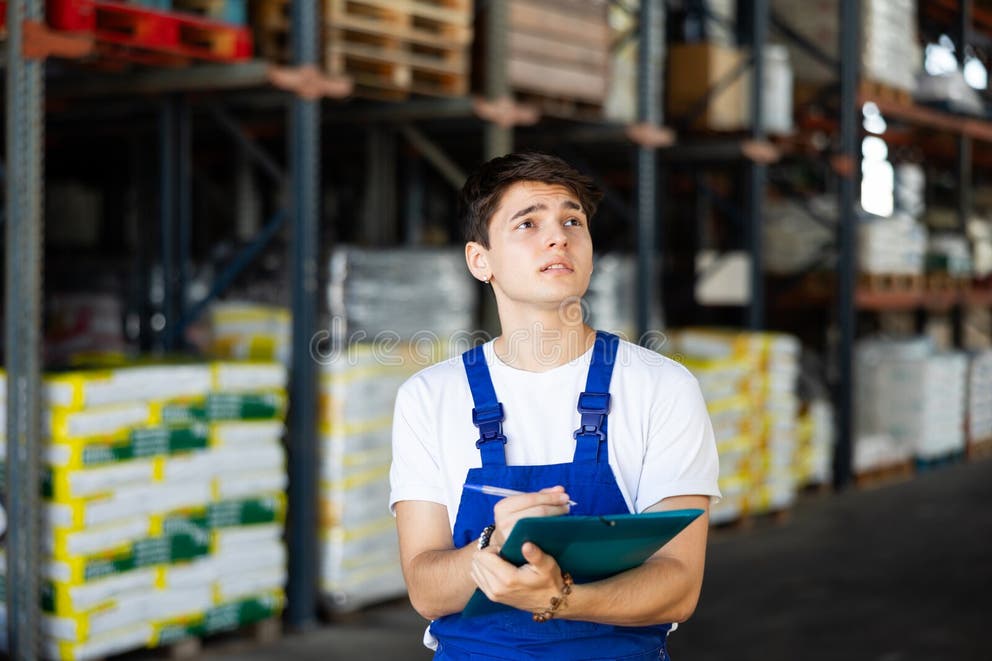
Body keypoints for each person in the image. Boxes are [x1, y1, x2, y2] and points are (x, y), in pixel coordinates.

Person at [389, 152, 720, 660]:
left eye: (572, 221)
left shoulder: (662, 387)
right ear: (481, 260)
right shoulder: (430, 397)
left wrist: (561, 598)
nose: (558, 237)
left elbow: (679, 585)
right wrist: (494, 543)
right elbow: (427, 590)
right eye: (528, 223)